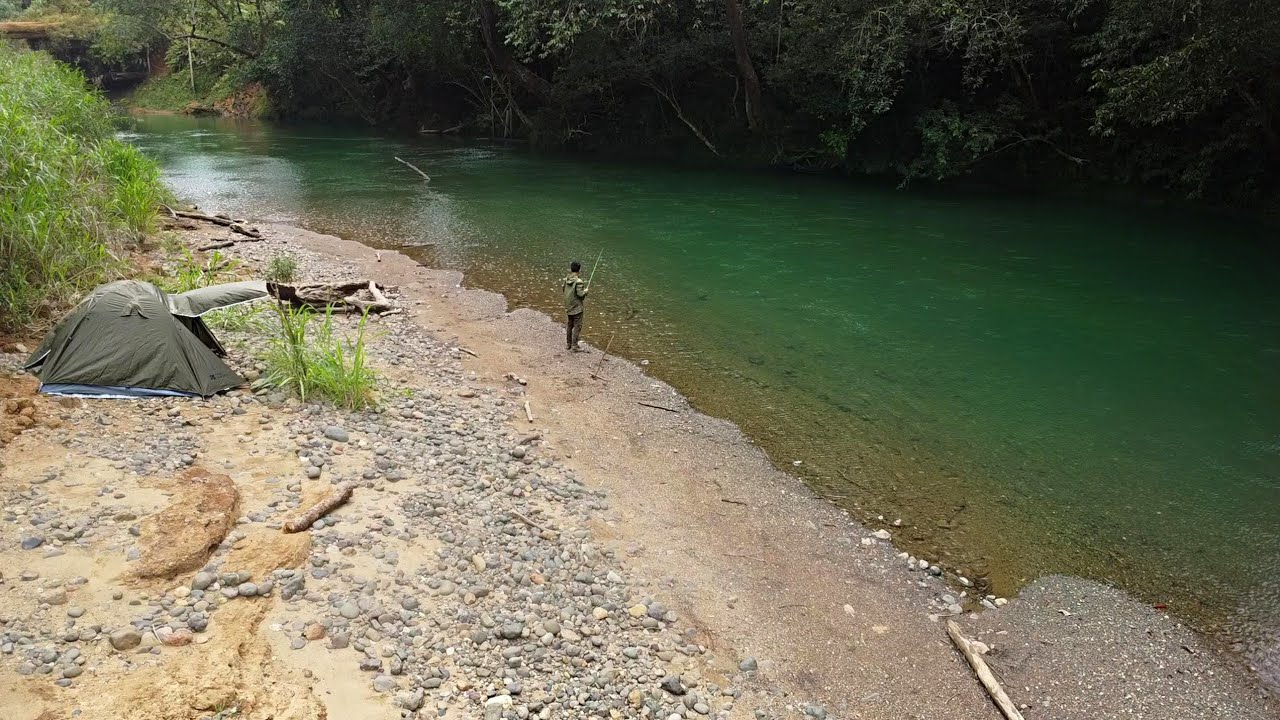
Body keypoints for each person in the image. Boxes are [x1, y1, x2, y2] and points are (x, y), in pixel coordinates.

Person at [562, 260, 588, 352]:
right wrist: (585, 291)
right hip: (577, 308)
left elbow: (563, 289)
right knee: (577, 326)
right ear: (579, 270)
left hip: (568, 306)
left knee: (570, 325)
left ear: (571, 269)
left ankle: (568, 344)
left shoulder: (566, 279)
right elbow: (580, 294)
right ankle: (575, 346)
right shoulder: (578, 281)